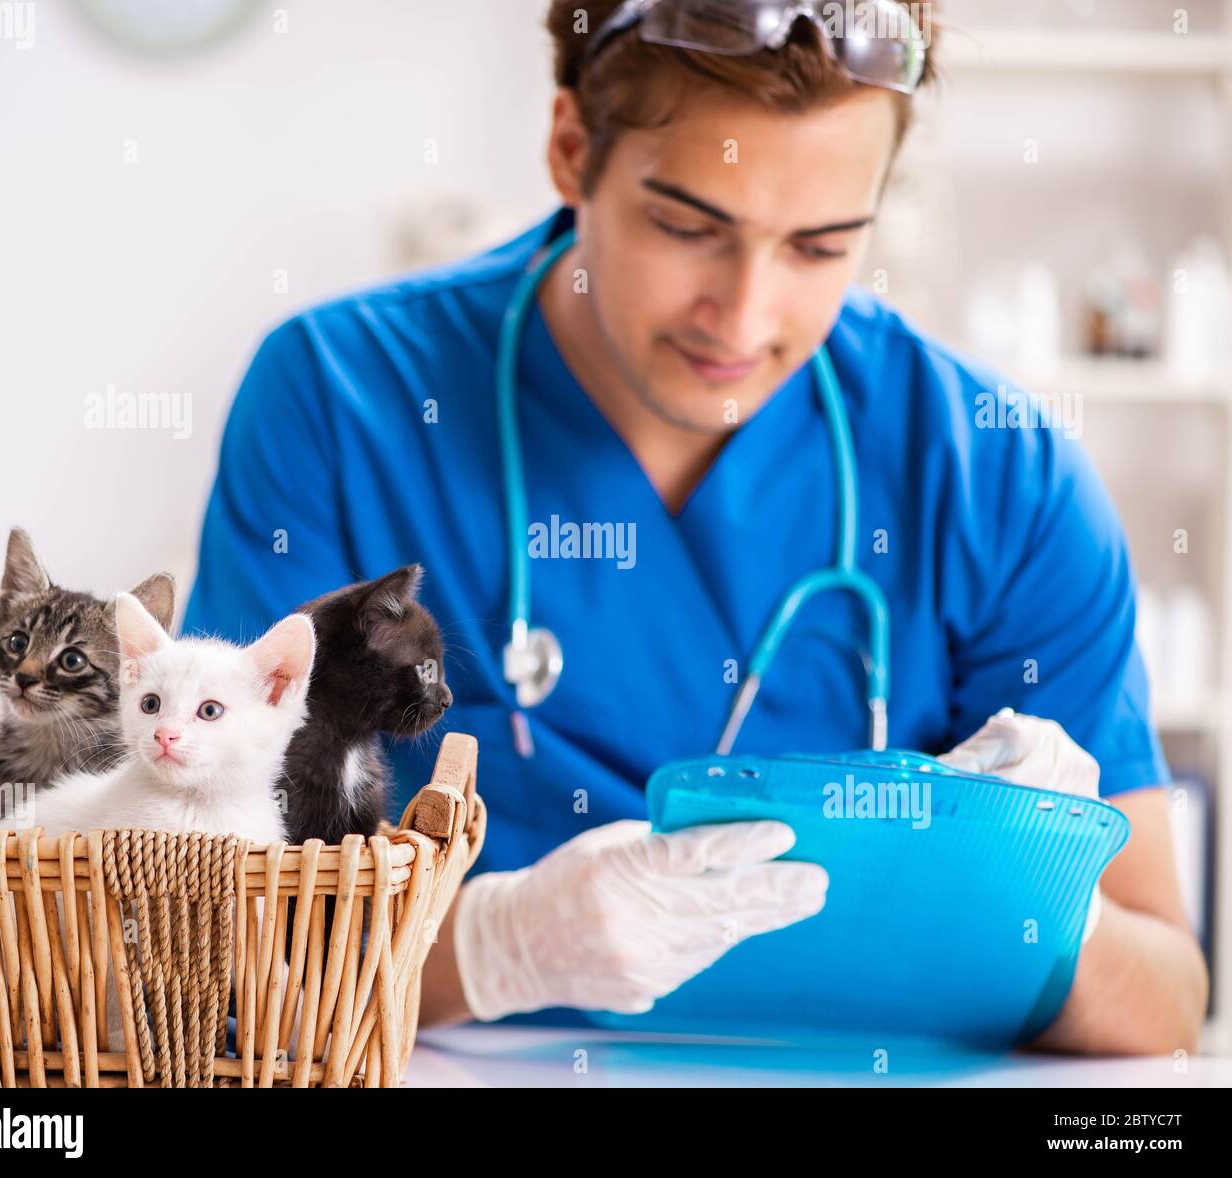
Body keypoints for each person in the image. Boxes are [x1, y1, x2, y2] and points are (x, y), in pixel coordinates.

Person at [181, 0, 1207, 1052]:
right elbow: (206, 948)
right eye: (687, 225)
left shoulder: (995, 471)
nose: (745, 315)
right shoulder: (342, 400)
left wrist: (1022, 894)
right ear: (573, 148)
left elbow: (1167, 989)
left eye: (819, 245)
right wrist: (490, 948)